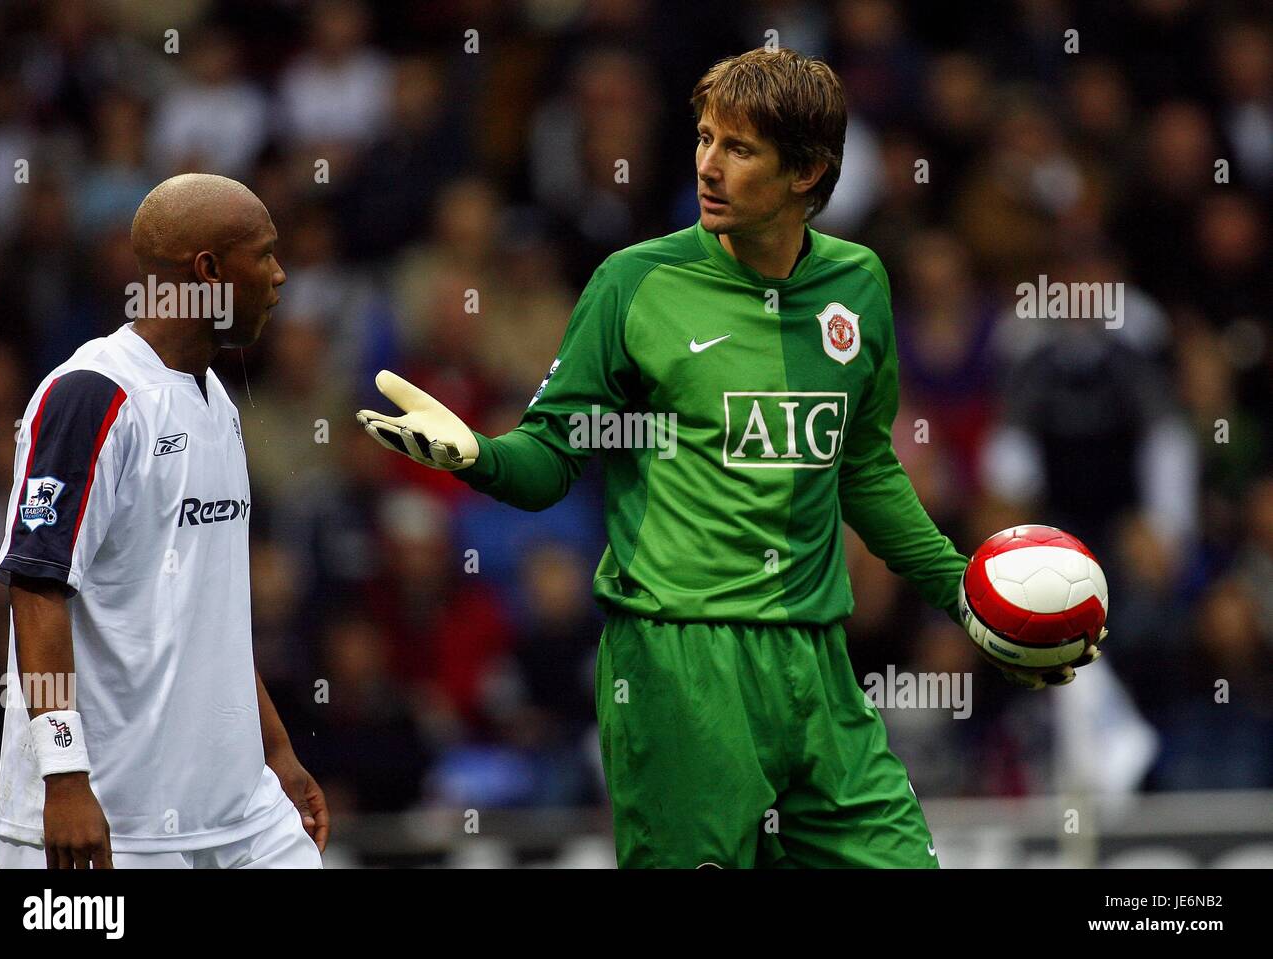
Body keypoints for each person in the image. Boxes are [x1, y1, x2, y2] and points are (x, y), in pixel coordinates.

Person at [358, 49, 1101, 868]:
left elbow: (865, 469)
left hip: (816, 664)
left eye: (739, 149)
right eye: (706, 138)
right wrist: (478, 455)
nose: (708, 164)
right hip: (678, 664)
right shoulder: (633, 284)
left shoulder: (859, 285)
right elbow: (550, 461)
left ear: (806, 172)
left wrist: (963, 596)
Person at [0, 173, 326, 869]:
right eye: (263, 255)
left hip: (239, 815)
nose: (280, 275)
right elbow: (37, 590)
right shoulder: (92, 395)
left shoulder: (219, 403)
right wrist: (65, 778)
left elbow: (210, 612)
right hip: (112, 820)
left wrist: (274, 750)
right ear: (208, 270)